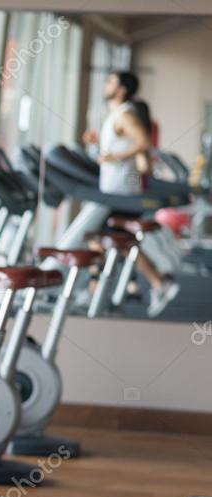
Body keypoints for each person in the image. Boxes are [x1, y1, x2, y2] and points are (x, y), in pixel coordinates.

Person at [82, 71, 179, 317]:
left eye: (110, 82)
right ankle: (101, 291)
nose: (106, 85)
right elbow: (125, 150)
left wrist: (114, 157)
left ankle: (154, 282)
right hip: (118, 188)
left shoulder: (125, 114)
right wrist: (99, 146)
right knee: (108, 240)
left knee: (103, 239)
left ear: (122, 89)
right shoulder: (117, 114)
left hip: (122, 191)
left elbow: (144, 142)